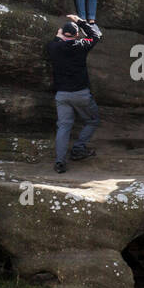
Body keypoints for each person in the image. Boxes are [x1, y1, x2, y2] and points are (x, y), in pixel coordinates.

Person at [44, 15, 103, 174]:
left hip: (62, 95)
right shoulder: (80, 44)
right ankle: (78, 148)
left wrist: (60, 34)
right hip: (81, 94)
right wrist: (80, 21)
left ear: (61, 32)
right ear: (76, 35)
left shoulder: (53, 47)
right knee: (93, 120)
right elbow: (96, 35)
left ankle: (60, 162)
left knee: (64, 127)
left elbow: (57, 40)